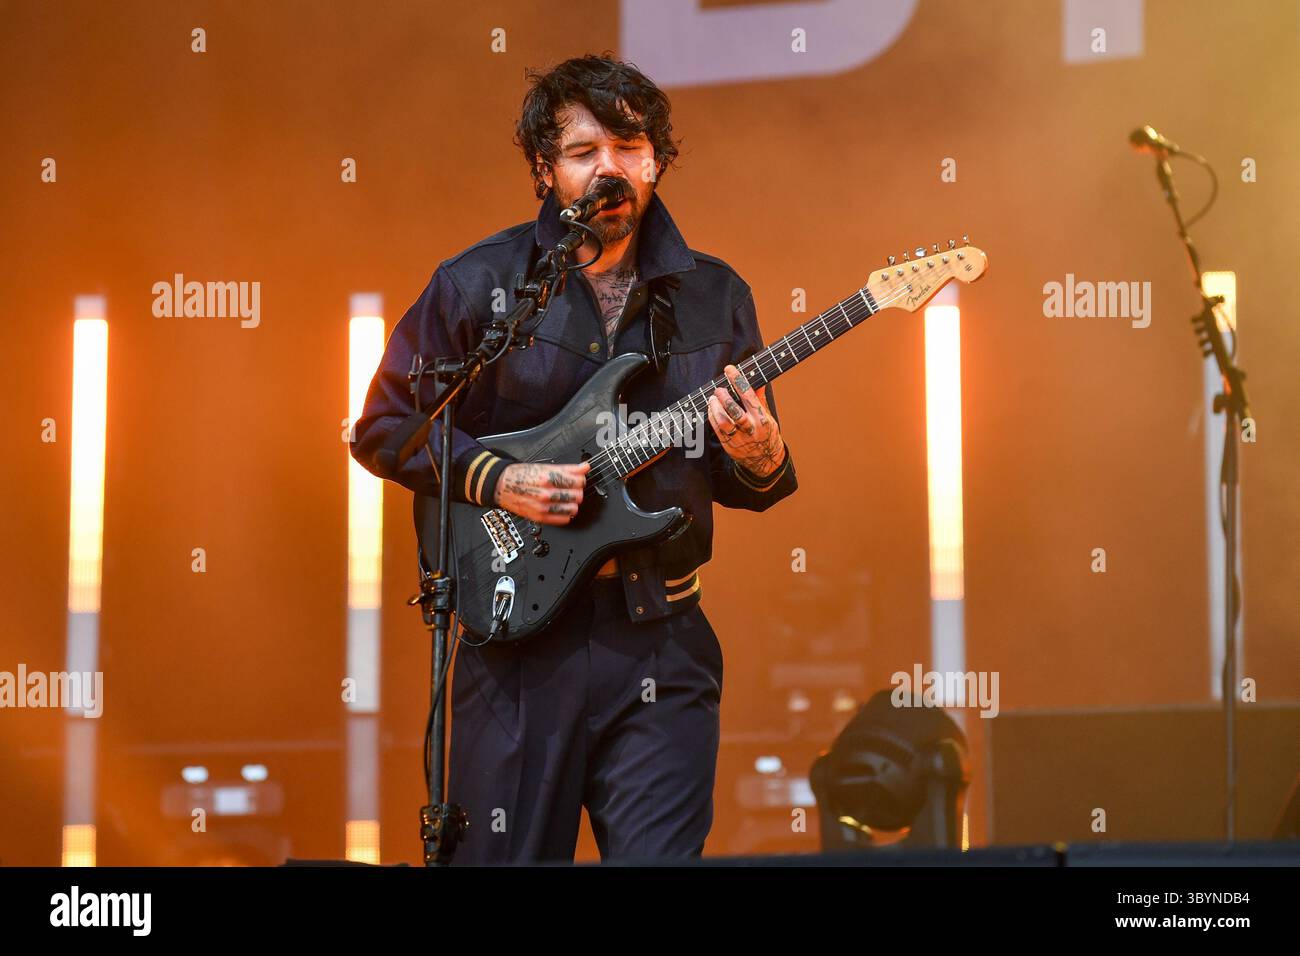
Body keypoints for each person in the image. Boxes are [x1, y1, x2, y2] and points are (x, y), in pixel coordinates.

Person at [350, 53, 797, 863]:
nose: (609, 168)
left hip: (661, 640)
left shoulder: (714, 294)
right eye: (585, 151)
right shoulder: (480, 282)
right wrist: (502, 479)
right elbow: (385, 424)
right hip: (513, 640)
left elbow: (749, 481)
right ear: (544, 169)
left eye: (629, 147)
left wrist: (761, 454)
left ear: (657, 158)